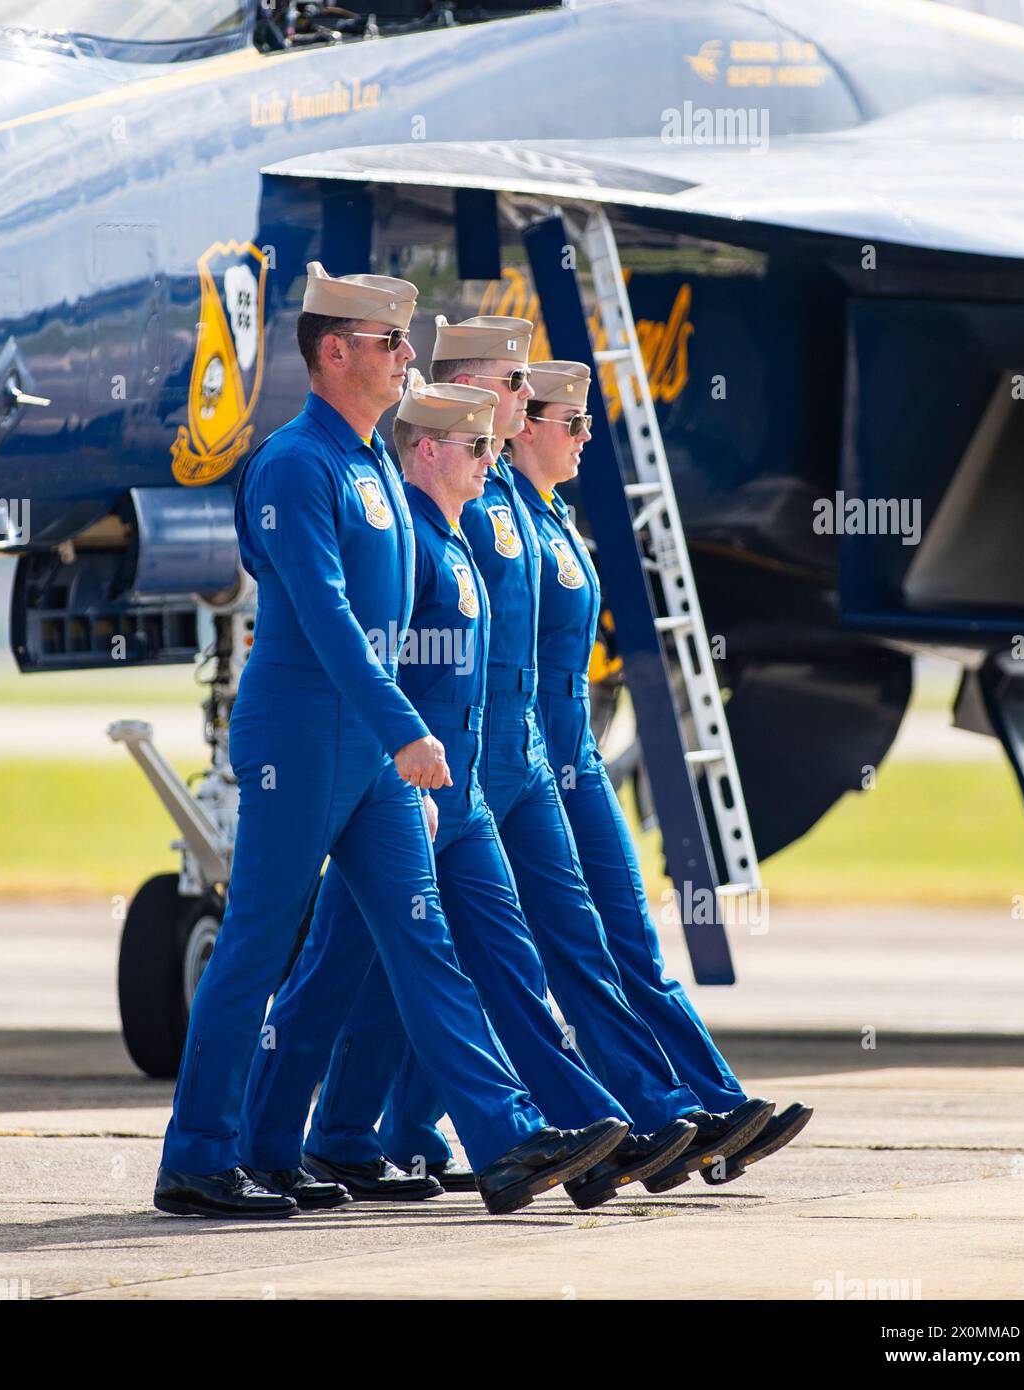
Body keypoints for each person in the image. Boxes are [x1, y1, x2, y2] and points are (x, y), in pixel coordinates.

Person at [250, 319, 772, 1211]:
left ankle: (568, 1126)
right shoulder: (423, 514)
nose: (534, 406)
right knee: (349, 966)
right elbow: (375, 643)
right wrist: (400, 754)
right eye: (517, 386)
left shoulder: (502, 514)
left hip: (509, 761)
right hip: (425, 770)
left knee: (484, 959)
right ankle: (290, 1140)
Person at [153, 266, 625, 1221]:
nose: (410, 357)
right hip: (302, 735)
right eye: (391, 344)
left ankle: (503, 1140)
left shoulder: (371, 462)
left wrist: (409, 730)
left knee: (422, 939)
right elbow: (326, 616)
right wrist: (408, 729)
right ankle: (200, 1156)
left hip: (370, 751)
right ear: (336, 351)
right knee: (258, 943)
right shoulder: (295, 464)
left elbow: (397, 621)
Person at [506, 359, 813, 1190]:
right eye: (569, 424)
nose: (584, 438)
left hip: (573, 753)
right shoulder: (497, 517)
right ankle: (650, 1112)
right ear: (523, 424)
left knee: (627, 940)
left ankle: (707, 1105)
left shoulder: (552, 518)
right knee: (555, 953)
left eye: (586, 424)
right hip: (522, 756)